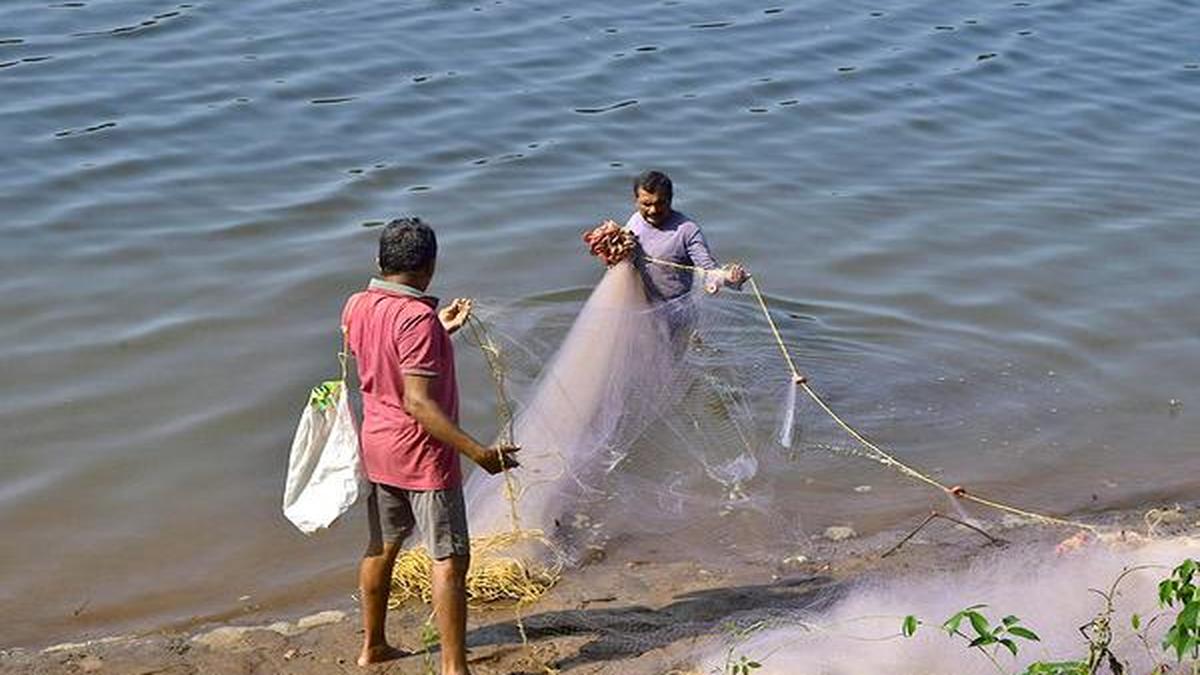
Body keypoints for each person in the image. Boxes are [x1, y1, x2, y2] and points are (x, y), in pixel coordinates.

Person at [341, 217, 519, 671]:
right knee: (450, 559)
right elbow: (417, 402)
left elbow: (384, 361)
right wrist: (478, 452)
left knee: (381, 546)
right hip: (422, 456)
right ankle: (453, 667)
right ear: (431, 266)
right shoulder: (416, 319)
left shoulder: (357, 305)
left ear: (380, 261)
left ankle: (373, 646)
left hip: (377, 447)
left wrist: (440, 330)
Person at [619, 169, 748, 303]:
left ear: (670, 199)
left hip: (675, 309)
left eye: (660, 203)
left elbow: (707, 269)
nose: (653, 210)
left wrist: (727, 277)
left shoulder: (687, 230)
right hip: (641, 304)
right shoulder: (634, 222)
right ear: (636, 201)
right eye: (646, 204)